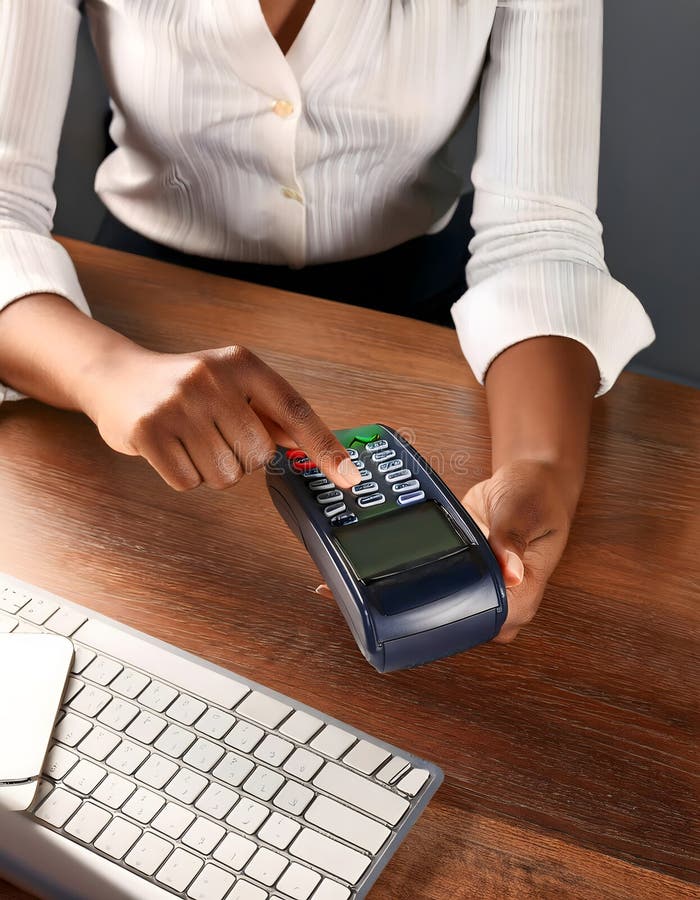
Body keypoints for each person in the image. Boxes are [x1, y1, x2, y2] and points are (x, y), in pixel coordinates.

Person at [0, 0, 654, 644]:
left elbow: (540, 232)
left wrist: (540, 466)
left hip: (420, 327)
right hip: (132, 325)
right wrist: (102, 370)